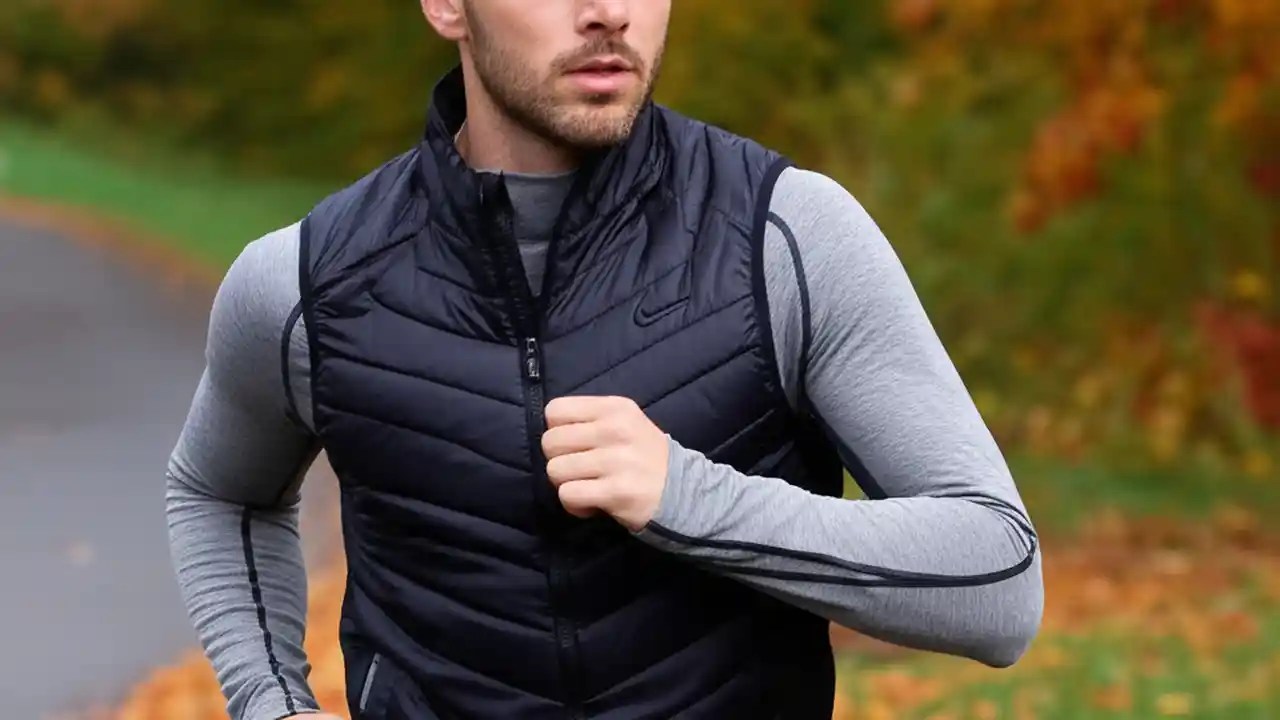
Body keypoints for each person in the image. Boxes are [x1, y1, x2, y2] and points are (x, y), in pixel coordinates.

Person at [165, 1, 1044, 718]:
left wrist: (691, 499)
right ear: (446, 7)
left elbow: (998, 582)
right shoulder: (305, 284)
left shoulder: (784, 240)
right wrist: (270, 699)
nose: (608, 13)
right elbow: (219, 493)